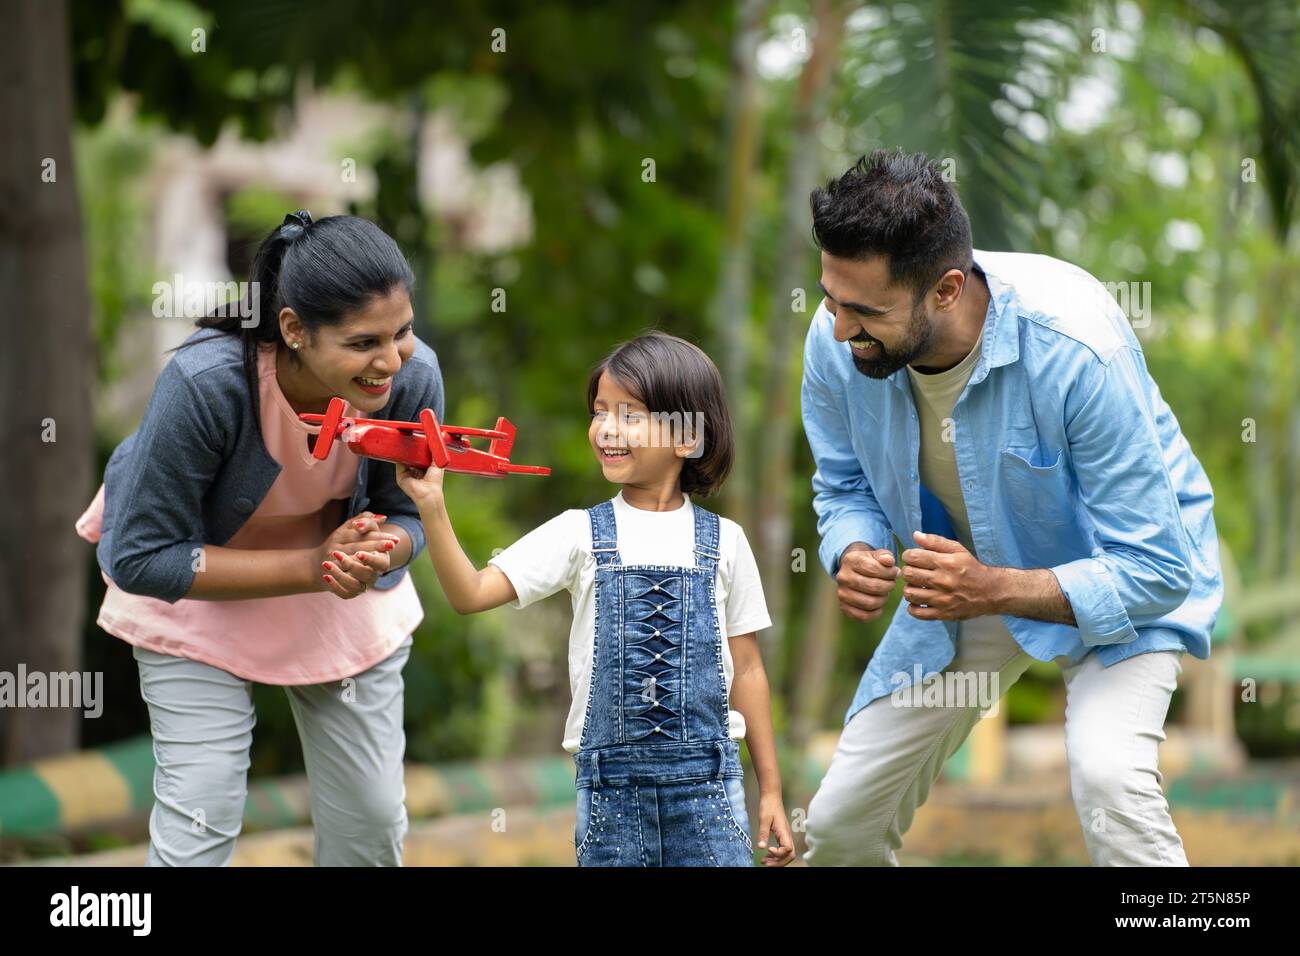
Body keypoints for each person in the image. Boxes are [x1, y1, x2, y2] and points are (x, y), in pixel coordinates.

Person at [799, 150, 1222, 866]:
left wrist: (992, 587)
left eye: (864, 311)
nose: (839, 329)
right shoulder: (838, 338)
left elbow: (1157, 567)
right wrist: (855, 547)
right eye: (832, 298)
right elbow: (842, 484)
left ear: (946, 289)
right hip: (967, 581)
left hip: (1118, 577)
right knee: (839, 825)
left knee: (1111, 782)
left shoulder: (1076, 347)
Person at [75, 211, 444, 866]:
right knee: (203, 807)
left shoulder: (410, 381)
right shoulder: (206, 384)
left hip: (334, 585)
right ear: (294, 330)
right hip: (197, 578)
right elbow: (141, 556)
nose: (390, 360)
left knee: (372, 819)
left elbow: (405, 514)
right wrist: (312, 566)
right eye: (363, 343)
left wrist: (382, 549)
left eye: (404, 331)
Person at [396, 332, 795, 866]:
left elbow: (746, 670)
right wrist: (431, 506)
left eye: (630, 414)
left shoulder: (727, 543)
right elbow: (470, 593)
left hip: (710, 796)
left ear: (687, 437)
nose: (607, 428)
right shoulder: (578, 534)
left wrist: (770, 790)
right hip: (611, 801)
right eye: (600, 411)